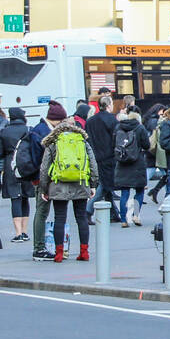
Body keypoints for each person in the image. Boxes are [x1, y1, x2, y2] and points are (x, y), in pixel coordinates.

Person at [38, 106, 99, 263]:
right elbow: (92, 163)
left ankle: (59, 253)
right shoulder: (82, 141)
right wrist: (93, 184)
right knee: (81, 218)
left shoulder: (53, 142)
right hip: (80, 182)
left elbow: (44, 168)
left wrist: (44, 189)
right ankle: (84, 252)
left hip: (58, 184)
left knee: (60, 218)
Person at [28, 102, 61, 261]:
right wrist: (42, 182)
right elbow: (40, 160)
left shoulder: (38, 130)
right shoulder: (44, 132)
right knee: (41, 212)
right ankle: (39, 248)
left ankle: (40, 246)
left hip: (41, 178)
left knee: (42, 212)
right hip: (44, 179)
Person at [0, 107, 33, 242]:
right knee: (25, 198)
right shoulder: (28, 130)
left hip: (10, 165)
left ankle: (17, 233)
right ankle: (25, 231)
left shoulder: (4, 132)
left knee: (15, 197)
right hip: (26, 165)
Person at [113, 104, 150, 228]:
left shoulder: (118, 127)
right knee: (139, 191)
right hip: (137, 163)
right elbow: (146, 145)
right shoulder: (140, 128)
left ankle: (123, 219)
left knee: (124, 193)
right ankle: (136, 215)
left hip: (122, 162)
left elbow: (114, 144)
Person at [86, 94, 121, 223]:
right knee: (105, 186)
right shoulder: (112, 120)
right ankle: (88, 210)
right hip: (108, 157)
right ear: (108, 105)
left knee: (106, 185)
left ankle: (113, 213)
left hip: (94, 156)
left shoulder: (90, 121)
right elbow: (116, 139)